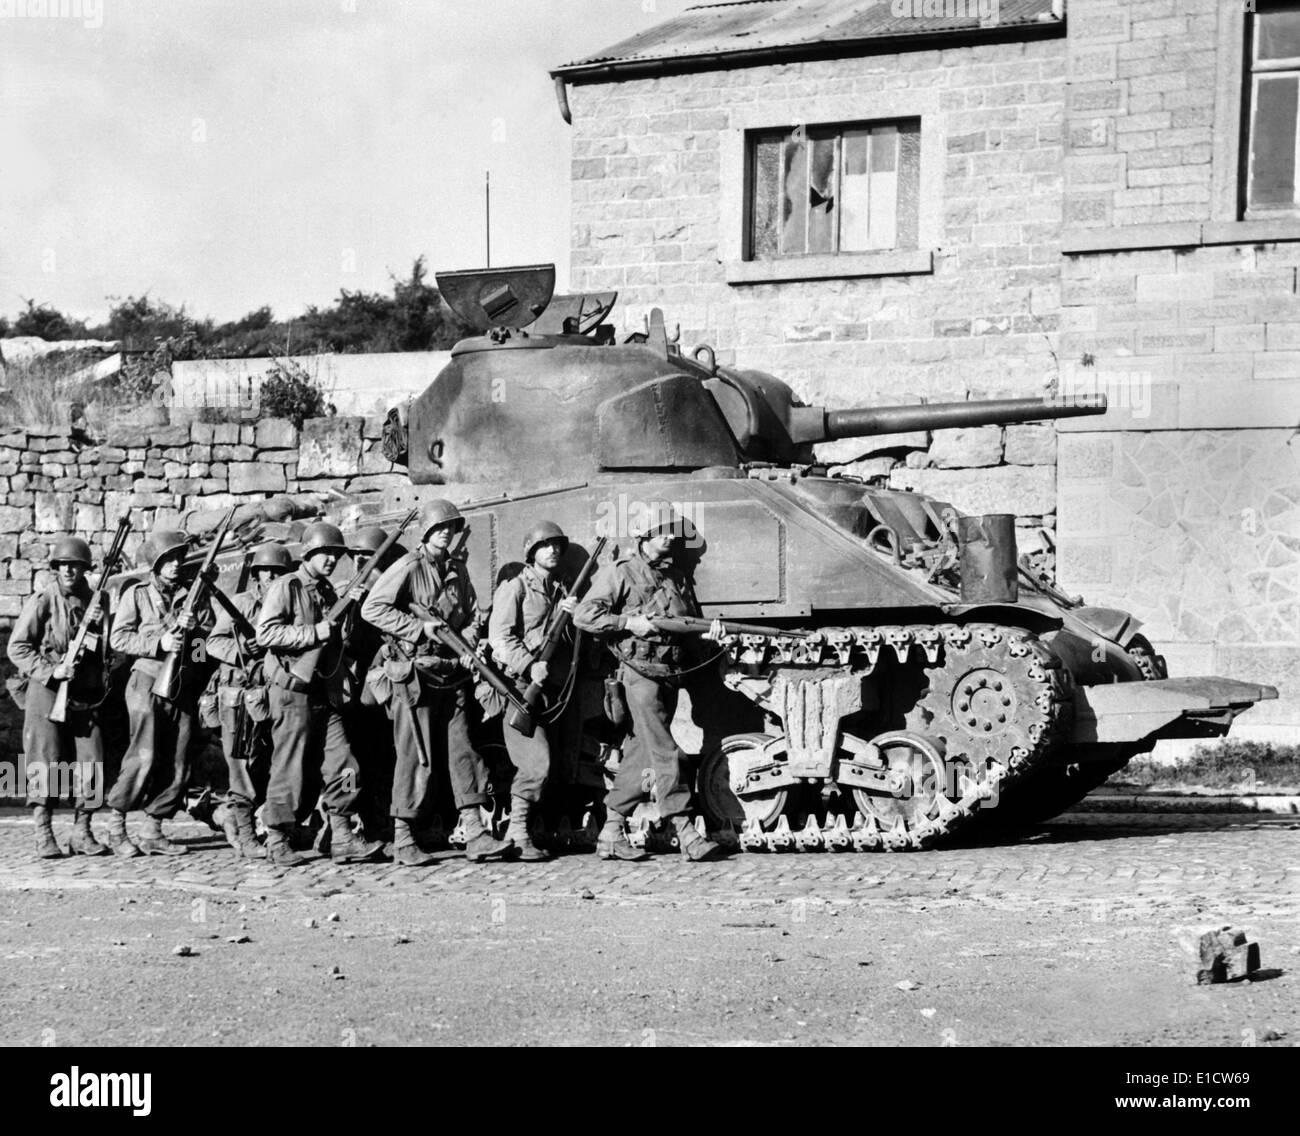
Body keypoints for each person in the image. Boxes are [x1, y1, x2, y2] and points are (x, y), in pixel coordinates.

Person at [361, 499, 510, 866]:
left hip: (452, 672)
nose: (446, 532)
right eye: (439, 527)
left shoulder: (457, 569)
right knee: (415, 757)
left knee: (464, 751)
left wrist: (469, 644)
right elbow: (372, 609)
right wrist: (417, 628)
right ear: (425, 532)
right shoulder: (409, 566)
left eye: (451, 527)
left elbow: (473, 614)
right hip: (416, 675)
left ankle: (475, 832)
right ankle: (403, 837)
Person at [573, 510, 728, 862]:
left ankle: (611, 832)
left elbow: (688, 625)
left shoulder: (675, 576)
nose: (670, 538)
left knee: (641, 751)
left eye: (672, 533)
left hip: (668, 674)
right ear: (643, 536)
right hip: (638, 674)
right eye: (662, 533)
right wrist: (629, 622)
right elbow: (584, 615)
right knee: (664, 750)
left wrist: (713, 635)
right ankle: (685, 830)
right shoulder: (620, 572)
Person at [255, 521, 384, 868]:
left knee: (344, 763)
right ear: (308, 552)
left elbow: (341, 644)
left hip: (325, 692)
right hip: (292, 692)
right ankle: (277, 838)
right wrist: (315, 632)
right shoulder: (287, 586)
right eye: (324, 553)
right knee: (289, 767)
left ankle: (342, 835)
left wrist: (350, 610)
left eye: (335, 554)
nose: (330, 560)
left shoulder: (329, 591)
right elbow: (265, 634)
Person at [104, 529, 215, 857]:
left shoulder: (195, 596)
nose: (176, 565)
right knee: (144, 756)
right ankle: (115, 826)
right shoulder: (136, 595)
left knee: (179, 759)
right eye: (168, 560)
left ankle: (153, 830)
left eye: (179, 559)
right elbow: (119, 640)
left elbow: (200, 653)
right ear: (155, 564)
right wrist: (159, 643)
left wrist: (194, 631)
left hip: (180, 685)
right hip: (145, 682)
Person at [7, 536, 110, 859]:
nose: (69, 571)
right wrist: (53, 671)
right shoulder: (43, 601)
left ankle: (82, 832)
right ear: (56, 568)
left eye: (76, 566)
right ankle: (44, 832)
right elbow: (17, 647)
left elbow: (105, 647)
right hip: (46, 689)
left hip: (84, 694)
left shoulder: (96, 602)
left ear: (84, 569)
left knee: (91, 759)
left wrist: (99, 635)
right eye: (63, 565)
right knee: (45, 758)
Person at [487, 521, 579, 861]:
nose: (553, 550)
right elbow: (500, 639)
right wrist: (528, 665)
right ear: (531, 552)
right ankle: (517, 834)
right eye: (545, 545)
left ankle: (522, 833)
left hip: (547, 688)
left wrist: (570, 614)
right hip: (519, 686)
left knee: (551, 764)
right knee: (535, 764)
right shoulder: (515, 588)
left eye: (557, 545)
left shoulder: (559, 590)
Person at [204, 541, 292, 858]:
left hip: (272, 694)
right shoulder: (241, 603)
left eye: (277, 572)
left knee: (267, 764)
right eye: (265, 572)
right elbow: (213, 644)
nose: (270, 577)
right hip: (239, 697)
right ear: (256, 574)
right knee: (240, 765)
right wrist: (243, 651)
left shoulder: (288, 605)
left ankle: (269, 827)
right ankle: (245, 836)